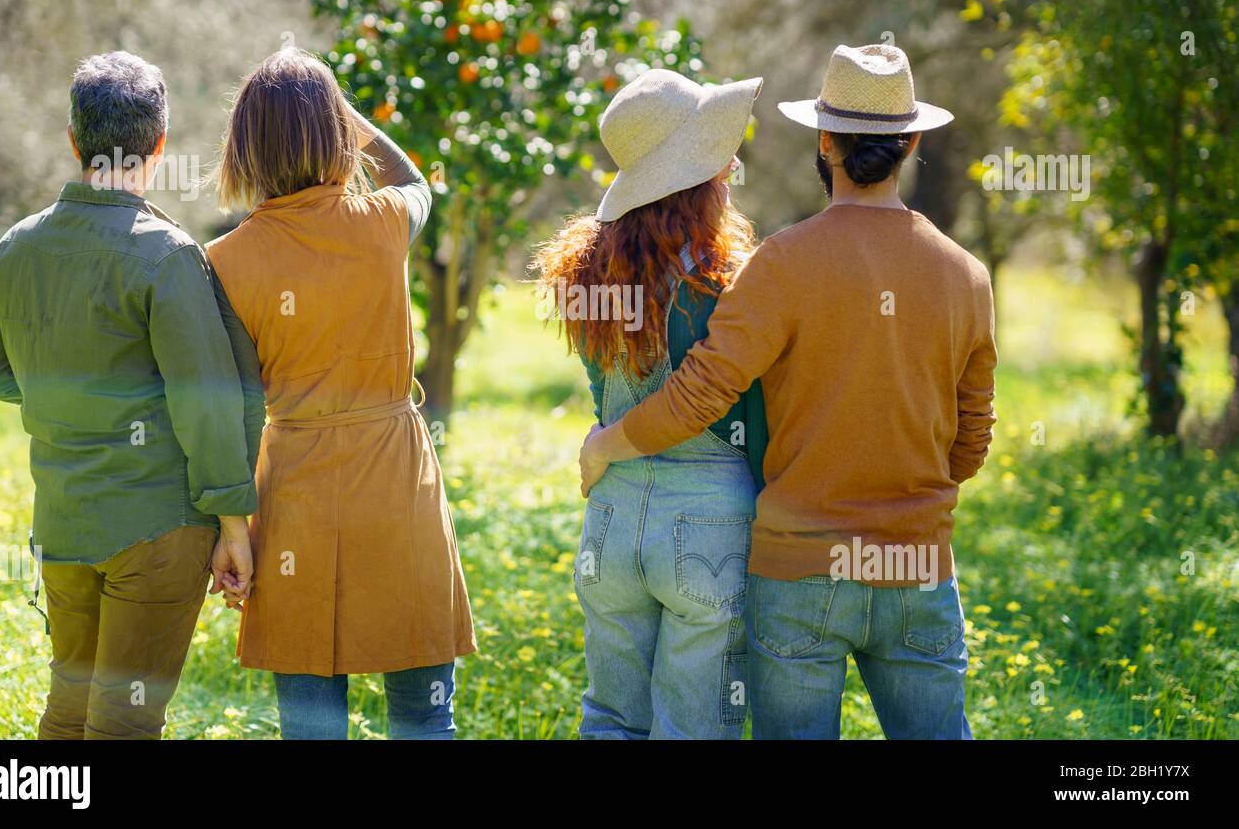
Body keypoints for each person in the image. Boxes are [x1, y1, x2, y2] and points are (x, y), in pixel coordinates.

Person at [578, 44, 997, 739]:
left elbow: (701, 394)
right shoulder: (966, 275)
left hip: (799, 567)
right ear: (913, 141)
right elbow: (972, 440)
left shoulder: (780, 265)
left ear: (824, 142)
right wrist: (906, 493)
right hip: (918, 562)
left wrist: (606, 444)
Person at [0, 51, 258, 739]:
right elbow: (205, 401)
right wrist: (233, 526)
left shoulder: (16, 248)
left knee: (70, 711)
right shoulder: (164, 254)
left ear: (74, 141)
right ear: (159, 145)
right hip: (157, 530)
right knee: (126, 722)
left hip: (64, 525)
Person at [206, 48, 476, 740]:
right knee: (424, 720)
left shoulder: (225, 262)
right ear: (336, 133)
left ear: (245, 147)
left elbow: (230, 410)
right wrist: (352, 122)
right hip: (396, 483)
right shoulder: (385, 222)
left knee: (312, 730)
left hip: (293, 491)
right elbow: (416, 179)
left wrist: (231, 531)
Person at [534, 68, 768, 738]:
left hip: (610, 515)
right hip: (711, 518)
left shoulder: (585, 274)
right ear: (699, 177)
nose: (731, 164)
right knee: (695, 726)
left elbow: (602, 393)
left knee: (611, 718)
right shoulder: (731, 279)